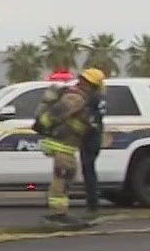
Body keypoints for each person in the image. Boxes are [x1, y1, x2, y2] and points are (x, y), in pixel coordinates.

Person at [34, 67, 104, 223]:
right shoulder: (76, 98)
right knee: (63, 178)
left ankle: (59, 213)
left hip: (67, 144)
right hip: (63, 144)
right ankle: (58, 214)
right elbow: (56, 113)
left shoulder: (81, 97)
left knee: (65, 177)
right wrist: (43, 124)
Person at [80, 82, 109, 219]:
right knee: (88, 170)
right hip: (93, 136)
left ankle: (93, 205)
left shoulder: (93, 97)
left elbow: (92, 119)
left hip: (91, 138)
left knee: (88, 170)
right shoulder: (99, 96)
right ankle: (92, 203)